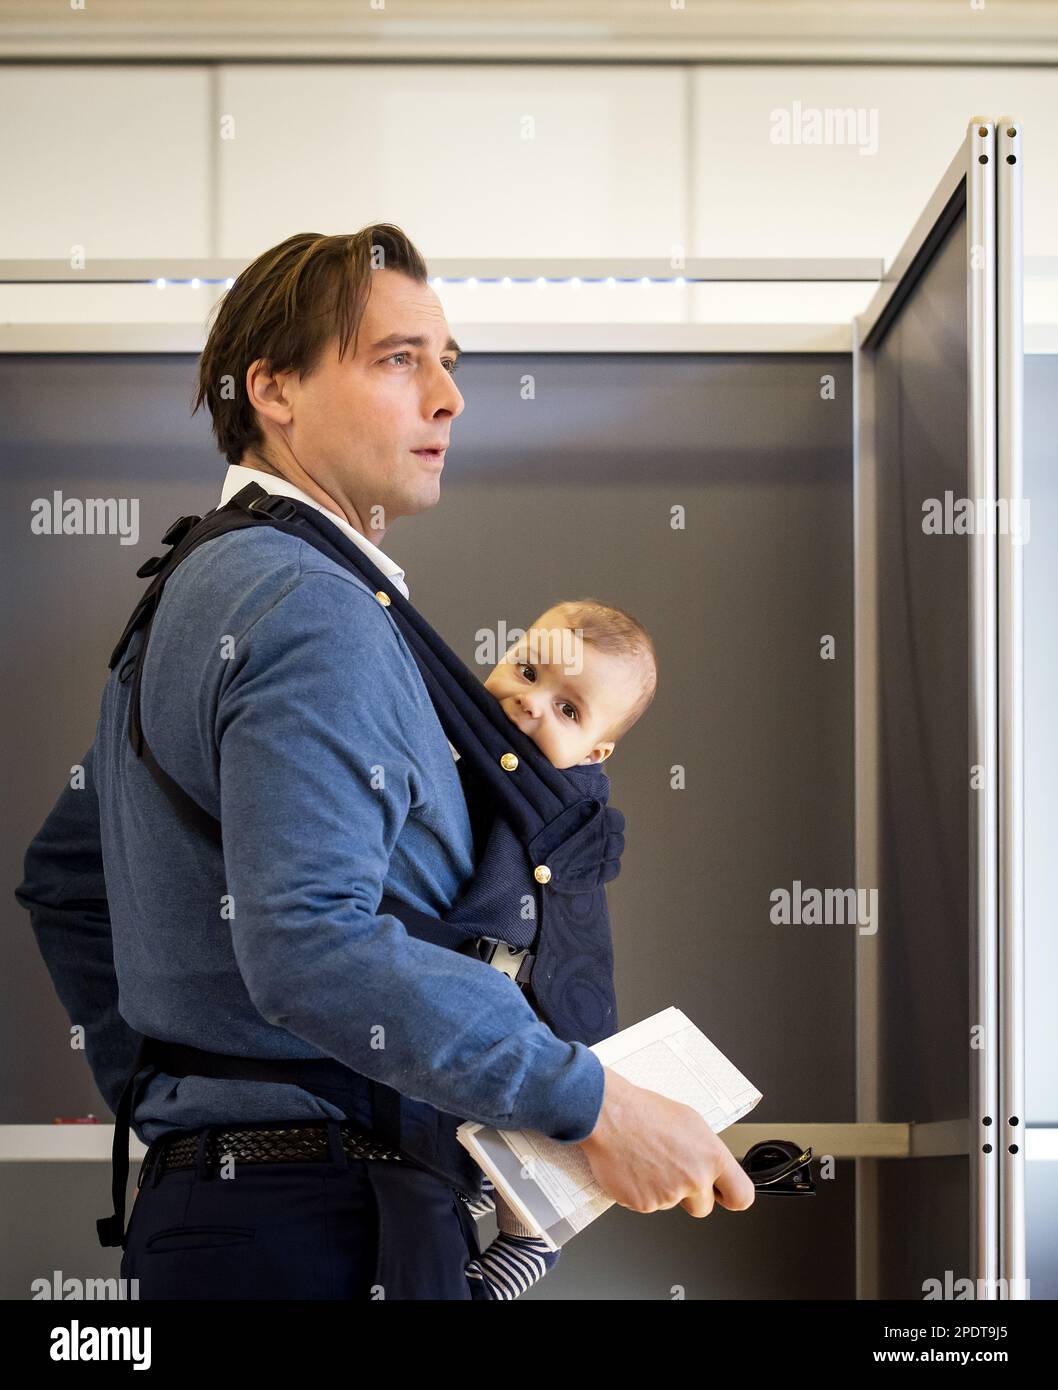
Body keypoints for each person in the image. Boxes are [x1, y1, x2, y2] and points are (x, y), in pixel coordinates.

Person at [14, 223, 755, 1301]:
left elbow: (67, 884)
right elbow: (310, 942)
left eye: (448, 361)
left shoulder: (188, 594)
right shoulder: (312, 605)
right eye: (397, 359)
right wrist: (590, 1100)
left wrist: (193, 1099)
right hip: (327, 1227)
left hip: (230, 1223)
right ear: (272, 389)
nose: (447, 396)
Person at [463, 601, 659, 1299]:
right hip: (472, 1008)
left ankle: (527, 1237)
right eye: (526, 669)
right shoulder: (453, 739)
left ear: (596, 751)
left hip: (534, 1011)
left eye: (569, 711)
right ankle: (477, 1200)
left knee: (539, 1162)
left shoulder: (567, 809)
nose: (529, 703)